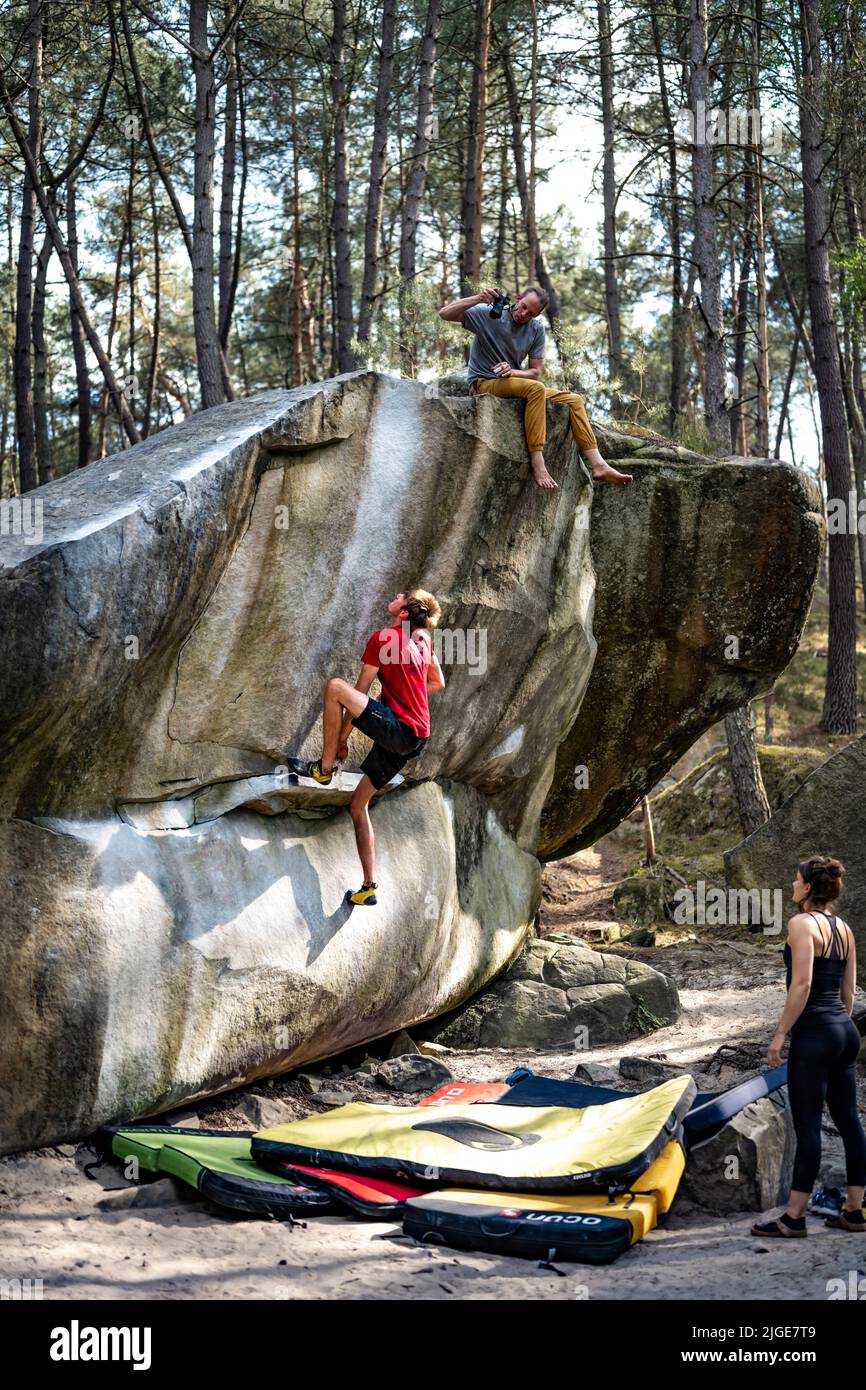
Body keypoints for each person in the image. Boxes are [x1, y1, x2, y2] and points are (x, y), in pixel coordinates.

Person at [301, 590, 445, 907]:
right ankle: (369, 887)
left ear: (403, 613)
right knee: (358, 804)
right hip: (416, 738)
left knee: (336, 688)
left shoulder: (383, 639)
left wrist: (341, 740)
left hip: (400, 729)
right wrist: (399, 699)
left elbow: (357, 695)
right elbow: (438, 682)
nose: (396, 595)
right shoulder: (423, 642)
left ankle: (324, 770)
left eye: (401, 596)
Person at [751, 856, 866, 1237]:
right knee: (850, 1123)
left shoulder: (801, 924)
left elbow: (801, 986)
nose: (792, 885)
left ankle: (794, 1218)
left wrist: (781, 1034)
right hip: (844, 1031)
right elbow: (848, 991)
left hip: (814, 1034)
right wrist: (839, 1025)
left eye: (795, 880)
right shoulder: (845, 930)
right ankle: (855, 1210)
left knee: (809, 1125)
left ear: (807, 887)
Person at [438, 284, 633, 491]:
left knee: (574, 400)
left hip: (512, 382)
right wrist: (478, 298)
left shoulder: (536, 329)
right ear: (518, 297)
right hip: (484, 382)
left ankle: (599, 465)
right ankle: (538, 461)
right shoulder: (489, 315)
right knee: (536, 389)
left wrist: (513, 372)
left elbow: (534, 372)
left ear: (538, 314)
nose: (523, 314)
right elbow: (444, 313)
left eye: (531, 313)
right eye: (522, 307)